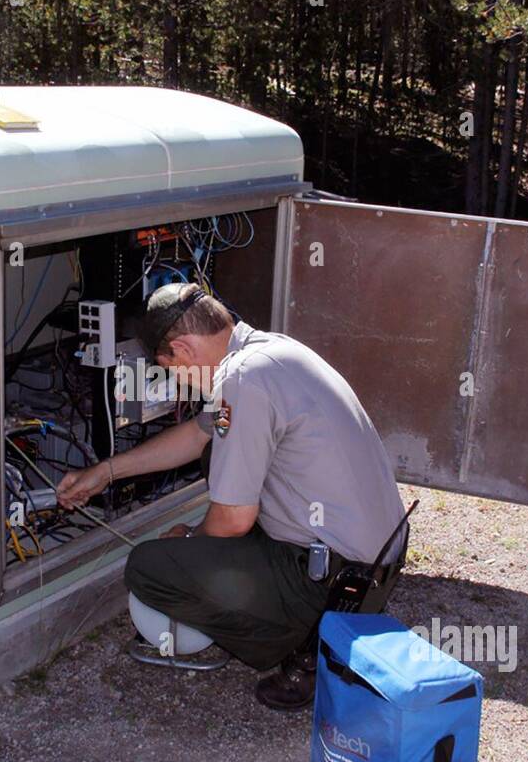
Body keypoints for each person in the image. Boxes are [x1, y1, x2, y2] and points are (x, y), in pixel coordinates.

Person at [56, 282, 407, 710]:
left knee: (148, 567)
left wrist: (190, 542)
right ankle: (308, 619)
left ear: (184, 349)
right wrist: (105, 472)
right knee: (213, 455)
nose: (181, 381)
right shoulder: (268, 352)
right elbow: (197, 435)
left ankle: (305, 646)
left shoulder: (241, 379)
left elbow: (233, 520)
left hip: (336, 583)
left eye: (173, 369)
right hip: (375, 562)